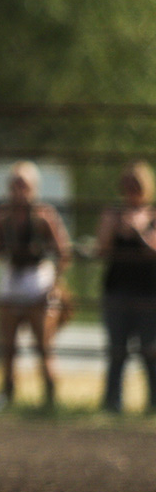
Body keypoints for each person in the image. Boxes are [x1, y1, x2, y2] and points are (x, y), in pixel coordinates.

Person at [0, 160, 73, 409]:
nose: (19, 190)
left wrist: (55, 285)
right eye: (15, 185)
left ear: (33, 187)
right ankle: (7, 391)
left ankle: (50, 396)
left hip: (38, 278)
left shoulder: (44, 215)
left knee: (44, 345)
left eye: (24, 185)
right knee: (7, 346)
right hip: (13, 276)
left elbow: (62, 251)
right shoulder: (3, 217)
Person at [94, 161, 156, 413]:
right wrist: (113, 227)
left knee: (150, 350)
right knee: (117, 350)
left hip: (148, 293)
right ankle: (112, 403)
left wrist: (140, 231)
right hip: (117, 290)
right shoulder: (113, 213)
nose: (132, 190)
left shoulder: (153, 215)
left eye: (137, 184)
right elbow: (101, 250)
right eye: (127, 184)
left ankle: (153, 403)